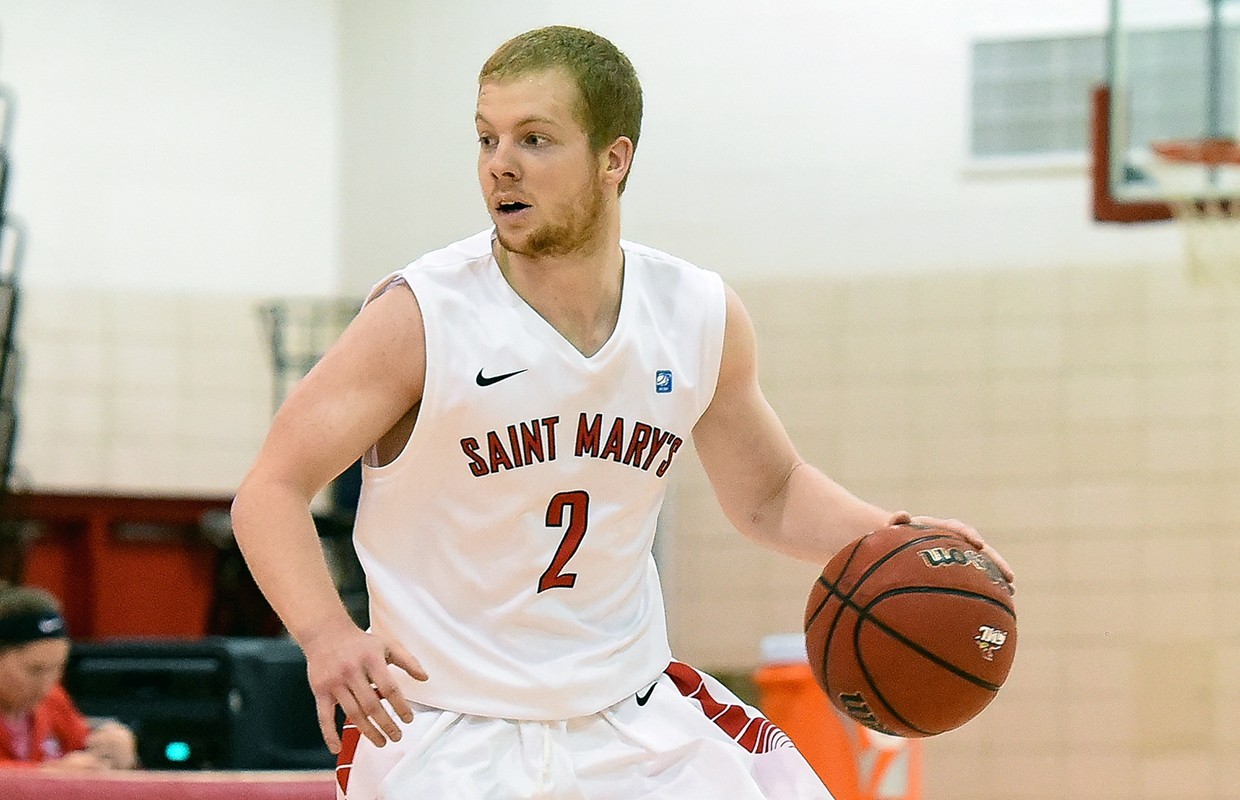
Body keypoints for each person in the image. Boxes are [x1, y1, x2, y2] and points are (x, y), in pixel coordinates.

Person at [231, 24, 1014, 800]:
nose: (500, 163)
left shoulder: (695, 314)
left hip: (631, 718)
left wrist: (890, 538)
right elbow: (270, 490)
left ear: (615, 158)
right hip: (450, 729)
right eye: (486, 138)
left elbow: (770, 493)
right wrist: (326, 634)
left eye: (534, 139)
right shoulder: (421, 317)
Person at [0, 583, 137, 770]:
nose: (47, 683)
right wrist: (47, 776)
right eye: (35, 670)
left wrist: (116, 757)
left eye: (58, 668)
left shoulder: (53, 701)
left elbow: (84, 751)